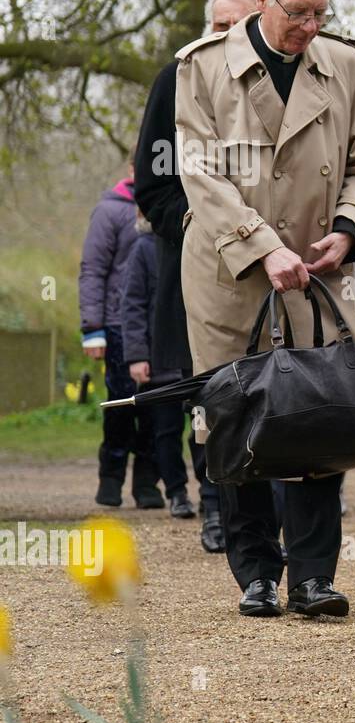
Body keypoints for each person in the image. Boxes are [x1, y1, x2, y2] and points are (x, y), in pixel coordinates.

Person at [176, 0, 355, 619]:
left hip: (318, 270)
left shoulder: (348, 66)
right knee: (236, 416)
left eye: (320, 15)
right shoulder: (201, 68)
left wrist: (353, 229)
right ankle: (252, 568)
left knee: (321, 412)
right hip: (230, 272)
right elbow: (200, 172)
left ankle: (312, 575)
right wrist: (260, 244)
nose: (309, 27)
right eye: (298, 13)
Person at [133, 0, 258, 551]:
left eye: (240, 25)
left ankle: (272, 508)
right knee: (206, 387)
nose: (229, 36)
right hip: (193, 260)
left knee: (267, 386)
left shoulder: (270, 82)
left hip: (268, 262)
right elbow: (153, 180)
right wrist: (194, 221)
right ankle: (216, 506)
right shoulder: (175, 79)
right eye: (219, 25)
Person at [79, 170, 162, 509]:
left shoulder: (165, 206)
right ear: (132, 167)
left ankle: (147, 483)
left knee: (158, 412)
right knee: (120, 408)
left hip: (157, 327)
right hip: (116, 325)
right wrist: (92, 329)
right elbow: (93, 270)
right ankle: (110, 479)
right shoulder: (109, 211)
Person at [119, 215, 198, 519]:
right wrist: (138, 356)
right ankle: (176, 492)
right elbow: (133, 304)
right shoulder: (143, 248)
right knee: (167, 431)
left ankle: (211, 493)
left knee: (203, 429)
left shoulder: (199, 241)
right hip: (160, 360)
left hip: (196, 357)